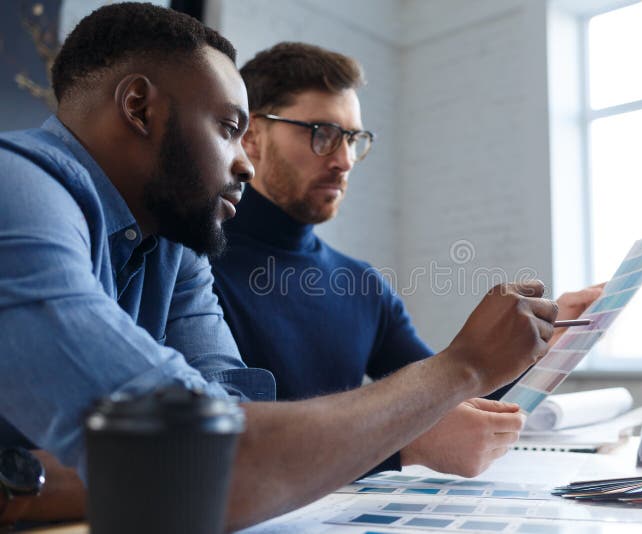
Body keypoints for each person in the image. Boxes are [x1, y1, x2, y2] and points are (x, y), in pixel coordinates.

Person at [0, 4, 558, 530]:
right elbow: (217, 468)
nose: (243, 161)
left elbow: (235, 431)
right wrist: (459, 368)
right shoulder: (15, 193)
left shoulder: (174, 247)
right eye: (227, 127)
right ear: (139, 107)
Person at [210, 41, 603, 471]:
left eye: (353, 139)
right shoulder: (189, 271)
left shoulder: (361, 285)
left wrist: (545, 341)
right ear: (253, 137)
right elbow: (220, 448)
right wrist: (402, 448)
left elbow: (454, 403)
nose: (345, 161)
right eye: (322, 134)